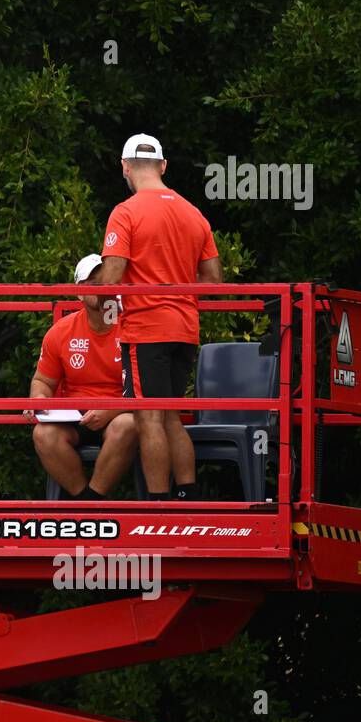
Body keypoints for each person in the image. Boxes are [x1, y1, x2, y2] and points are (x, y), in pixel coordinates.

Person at [93, 134, 222, 500]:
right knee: (170, 416)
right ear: (163, 166)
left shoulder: (126, 211)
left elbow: (113, 275)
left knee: (149, 417)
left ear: (125, 167)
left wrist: (94, 284)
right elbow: (213, 280)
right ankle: (187, 494)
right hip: (185, 327)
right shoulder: (193, 213)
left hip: (147, 328)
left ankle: (159, 503)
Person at [31, 254, 138, 499]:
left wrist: (110, 411)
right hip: (75, 417)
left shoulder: (134, 326)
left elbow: (142, 391)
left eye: (106, 280)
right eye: (93, 281)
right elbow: (42, 381)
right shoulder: (61, 331)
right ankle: (86, 502)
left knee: (128, 425)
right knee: (43, 434)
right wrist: (39, 402)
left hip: (120, 414)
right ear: (79, 293)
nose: (102, 287)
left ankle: (91, 501)